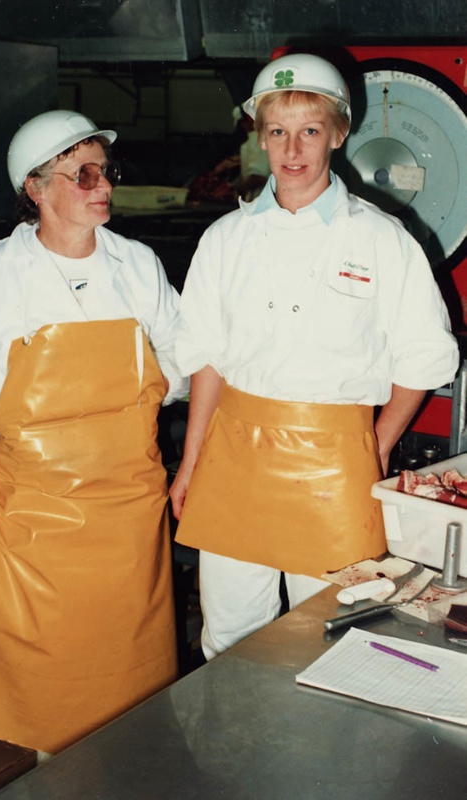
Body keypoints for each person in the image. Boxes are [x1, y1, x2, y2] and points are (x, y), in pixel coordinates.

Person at [169, 54, 459, 661]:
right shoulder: (227, 239)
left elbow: (426, 356)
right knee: (229, 636)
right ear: (260, 136)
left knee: (327, 636)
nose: (292, 148)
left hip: (335, 467)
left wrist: (373, 446)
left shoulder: (380, 238)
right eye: (277, 130)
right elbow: (206, 358)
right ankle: (233, 754)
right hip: (233, 459)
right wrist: (192, 461)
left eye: (309, 130)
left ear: (338, 132)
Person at [0, 110, 188, 754]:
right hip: (35, 507)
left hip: (128, 503)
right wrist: (4, 416)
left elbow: (181, 361)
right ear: (36, 188)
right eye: (81, 173)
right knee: (48, 668)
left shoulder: (137, 265)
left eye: (104, 169)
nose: (100, 184)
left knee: (125, 656)